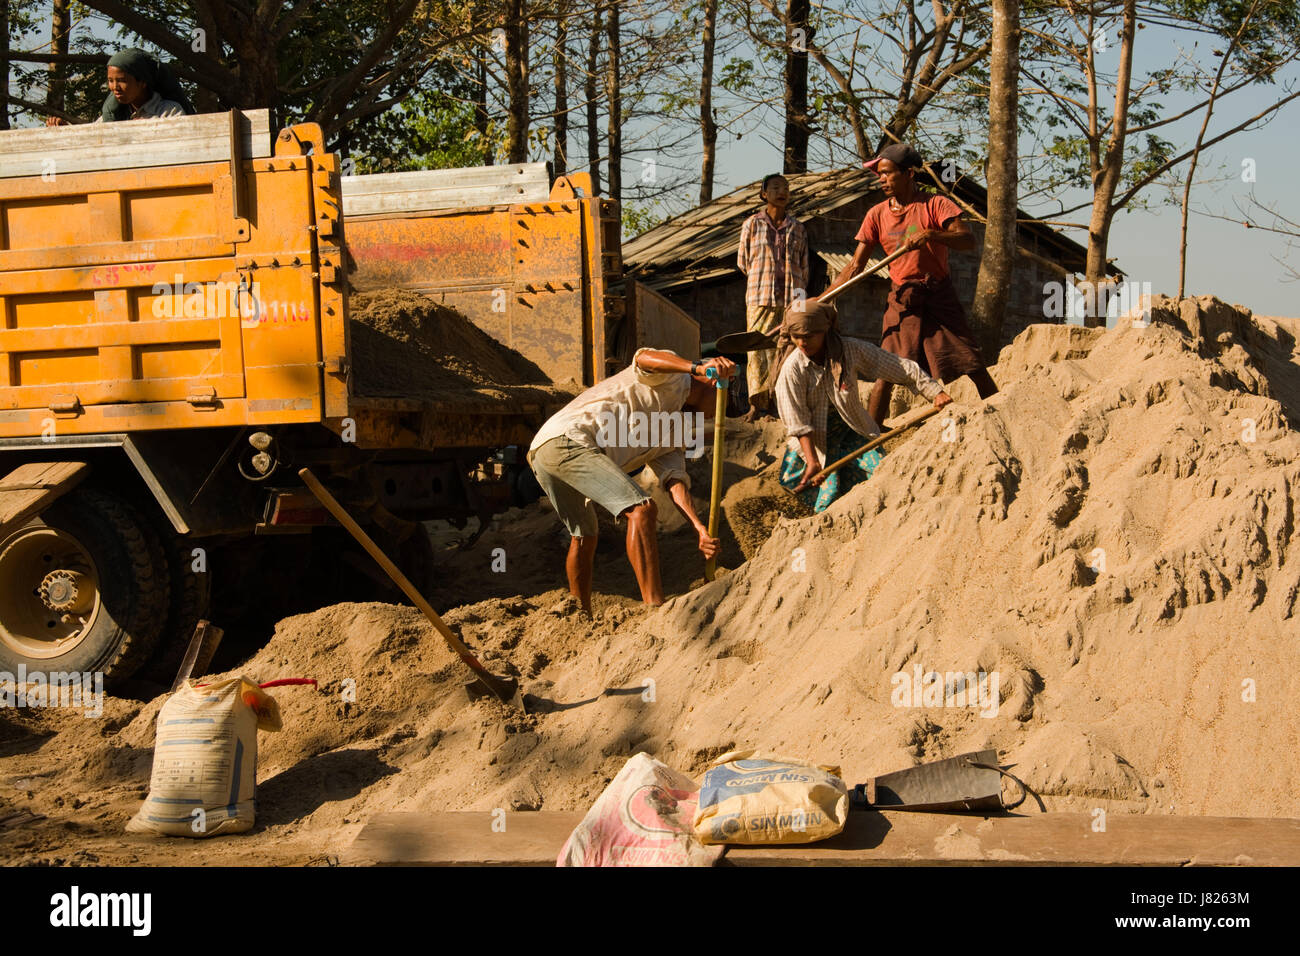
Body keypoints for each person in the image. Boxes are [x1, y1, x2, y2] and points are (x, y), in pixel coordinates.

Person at [528, 350, 737, 615]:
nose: (715, 414)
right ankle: (655, 608)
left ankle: (580, 614)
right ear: (709, 383)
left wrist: (699, 529)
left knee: (584, 535)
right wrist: (694, 368)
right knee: (642, 510)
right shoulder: (673, 377)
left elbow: (674, 480)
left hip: (547, 451)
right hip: (566, 440)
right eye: (721, 401)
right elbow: (643, 359)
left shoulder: (678, 427)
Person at [826, 143, 997, 426]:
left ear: (908, 174)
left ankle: (999, 412)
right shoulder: (877, 215)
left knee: (971, 363)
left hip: (938, 295)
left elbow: (968, 240)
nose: (881, 179)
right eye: (879, 174)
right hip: (903, 299)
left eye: (887, 173)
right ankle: (871, 437)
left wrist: (933, 234)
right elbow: (854, 266)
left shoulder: (936, 204)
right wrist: (821, 298)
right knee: (886, 370)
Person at [771, 298, 951, 513]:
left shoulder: (850, 350)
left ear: (825, 331)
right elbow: (798, 422)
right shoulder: (792, 370)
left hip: (851, 431)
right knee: (826, 499)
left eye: (809, 336)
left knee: (882, 476)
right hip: (814, 443)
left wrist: (934, 391)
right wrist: (813, 461)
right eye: (796, 337)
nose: (802, 343)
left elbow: (897, 366)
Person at [736, 173, 809, 420]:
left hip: (791, 300)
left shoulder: (798, 228)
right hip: (760, 297)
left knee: (784, 351)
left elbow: (804, 266)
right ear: (764, 194)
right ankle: (757, 405)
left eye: (786, 188)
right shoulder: (751, 224)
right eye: (776, 187)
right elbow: (743, 262)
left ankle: (779, 404)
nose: (782, 191)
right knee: (756, 351)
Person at [45, 47, 195, 126]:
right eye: (110, 80)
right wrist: (65, 130)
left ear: (142, 82)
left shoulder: (169, 111)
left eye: (122, 80)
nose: (114, 87)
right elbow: (93, 139)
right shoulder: (112, 115)